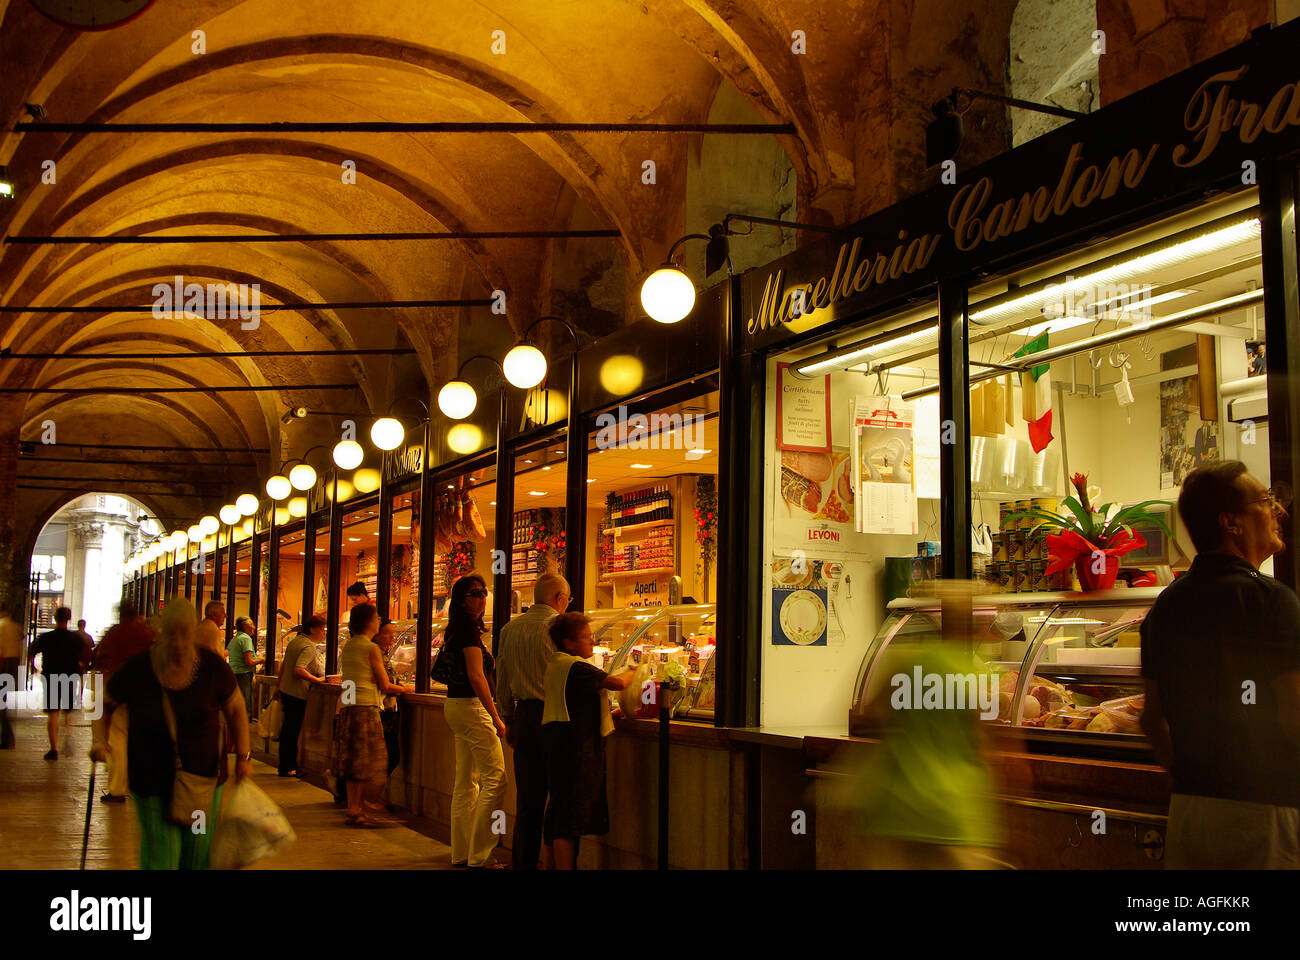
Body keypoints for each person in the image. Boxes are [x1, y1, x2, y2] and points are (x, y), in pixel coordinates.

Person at [1142, 461, 1300, 868]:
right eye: (1265, 501)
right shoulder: (1272, 600)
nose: (1278, 510)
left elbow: (1152, 720)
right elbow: (1294, 713)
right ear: (1231, 522)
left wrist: (1192, 776)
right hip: (1266, 814)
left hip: (1191, 814)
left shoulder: (1167, 605)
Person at [90, 597, 252, 870]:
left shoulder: (212, 668)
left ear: (195, 632)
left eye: (185, 634)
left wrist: (244, 758)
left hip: (203, 785)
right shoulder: (139, 668)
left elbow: (237, 710)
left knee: (197, 855)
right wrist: (99, 741)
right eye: (172, 634)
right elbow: (103, 704)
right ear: (159, 631)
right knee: (161, 858)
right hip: (152, 784)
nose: (178, 642)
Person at [541, 612, 636, 870]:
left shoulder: (558, 663)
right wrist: (636, 668)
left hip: (560, 746)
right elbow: (617, 683)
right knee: (567, 818)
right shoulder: (575, 666)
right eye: (587, 637)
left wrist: (616, 713)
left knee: (557, 813)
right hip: (573, 750)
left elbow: (580, 703)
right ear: (569, 642)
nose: (592, 641)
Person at [495, 573, 570, 869]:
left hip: (524, 716)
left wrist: (508, 719)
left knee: (528, 801)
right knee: (560, 797)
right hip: (556, 718)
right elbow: (571, 676)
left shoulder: (509, 629)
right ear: (559, 599)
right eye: (567, 600)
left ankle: (523, 863)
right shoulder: (558, 627)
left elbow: (501, 678)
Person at [440, 574, 508, 868]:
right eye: (475, 593)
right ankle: (481, 855)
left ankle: (463, 852)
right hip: (471, 708)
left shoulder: (456, 628)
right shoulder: (466, 630)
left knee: (466, 782)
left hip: (455, 706)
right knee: (496, 778)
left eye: (484, 592)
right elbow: (476, 675)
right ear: (461, 599)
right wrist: (495, 716)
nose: (482, 598)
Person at [335, 603, 409, 825]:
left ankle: (354, 809)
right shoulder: (371, 648)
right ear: (369, 622)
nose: (379, 621)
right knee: (371, 760)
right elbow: (385, 684)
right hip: (366, 707)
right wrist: (404, 688)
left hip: (349, 706)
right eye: (376, 618)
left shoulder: (349, 646)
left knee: (354, 761)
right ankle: (366, 805)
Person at [89, 602, 156, 802]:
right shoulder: (146, 634)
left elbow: (99, 658)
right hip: (144, 694)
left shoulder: (115, 633)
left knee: (118, 739)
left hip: (119, 693)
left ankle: (118, 789)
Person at [27, 606, 92, 760]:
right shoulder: (75, 639)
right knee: (69, 711)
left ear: (54, 618)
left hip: (51, 676)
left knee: (53, 713)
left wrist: (33, 667)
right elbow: (86, 654)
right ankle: (68, 735)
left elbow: (31, 652)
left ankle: (53, 748)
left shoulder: (46, 637)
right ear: (68, 619)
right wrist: (82, 666)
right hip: (69, 676)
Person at [276, 616, 326, 777]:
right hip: (297, 693)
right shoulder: (308, 646)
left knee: (287, 730)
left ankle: (286, 764)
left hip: (286, 690)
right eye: (322, 629)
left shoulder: (295, 642)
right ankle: (289, 766)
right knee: (292, 730)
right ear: (312, 629)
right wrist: (316, 679)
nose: (324, 633)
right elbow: (298, 669)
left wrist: (279, 685)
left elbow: (284, 665)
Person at [374, 619, 402, 775]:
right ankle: (368, 794)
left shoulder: (382, 654)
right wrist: (403, 689)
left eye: (393, 633)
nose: (392, 637)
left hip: (388, 710)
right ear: (375, 634)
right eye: (386, 633)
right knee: (390, 756)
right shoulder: (375, 653)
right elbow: (383, 684)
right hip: (382, 710)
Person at [227, 617, 263, 720]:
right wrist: (262, 660)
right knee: (244, 703)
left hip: (235, 673)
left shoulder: (235, 638)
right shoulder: (246, 638)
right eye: (252, 624)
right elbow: (249, 661)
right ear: (246, 626)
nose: (254, 627)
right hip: (243, 674)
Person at [0, 606, 24, 749]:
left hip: (3, 664)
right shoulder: (14, 626)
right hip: (12, 665)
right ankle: (7, 736)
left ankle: (6, 737)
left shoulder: (1, 626)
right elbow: (22, 636)